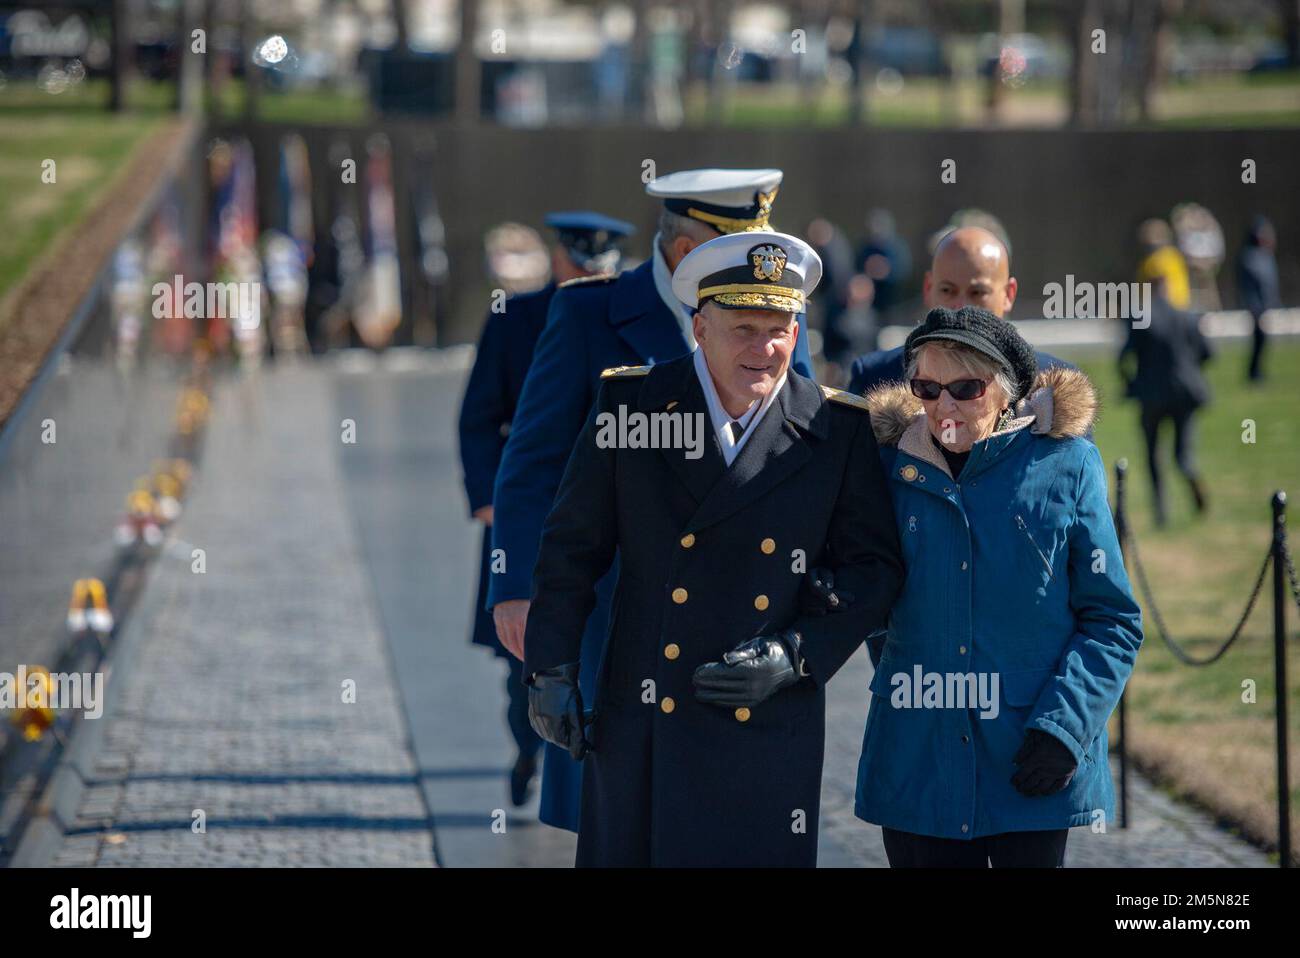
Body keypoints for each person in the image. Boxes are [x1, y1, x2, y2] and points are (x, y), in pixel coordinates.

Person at [523, 231, 904, 866]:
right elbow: (571, 547)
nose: (767, 348)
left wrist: (795, 655)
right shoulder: (633, 404)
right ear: (700, 328)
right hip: (645, 714)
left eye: (781, 327)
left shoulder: (836, 428)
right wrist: (550, 667)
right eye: (745, 329)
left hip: (767, 721)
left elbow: (873, 570)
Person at [489, 169, 815, 834]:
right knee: (620, 804)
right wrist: (518, 584)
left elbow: (806, 444)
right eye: (730, 246)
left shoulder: (773, 316)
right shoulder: (588, 313)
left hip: (737, 609)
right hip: (623, 608)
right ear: (683, 244)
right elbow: (534, 458)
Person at [857, 305, 1143, 867]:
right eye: (927, 387)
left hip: (1029, 764)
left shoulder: (1067, 464)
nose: (944, 406)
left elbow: (1112, 619)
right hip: (917, 767)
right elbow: (863, 599)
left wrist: (1065, 727)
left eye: (966, 388)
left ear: (1007, 392)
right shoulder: (884, 471)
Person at [457, 211, 634, 807]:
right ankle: (530, 745)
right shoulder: (515, 318)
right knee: (526, 655)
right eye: (580, 260)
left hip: (600, 516)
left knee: (600, 645)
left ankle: (587, 769)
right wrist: (486, 497)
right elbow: (480, 415)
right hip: (532, 508)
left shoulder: (624, 313)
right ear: (561, 260)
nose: (588, 271)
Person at [847, 225, 1074, 396]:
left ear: (1008, 294)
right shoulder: (876, 380)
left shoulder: (1053, 389)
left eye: (978, 293)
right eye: (948, 290)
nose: (961, 308)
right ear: (928, 288)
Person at [1119, 277, 1212, 526]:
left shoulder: (1141, 319)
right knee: (1183, 454)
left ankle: (1161, 510)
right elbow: (1208, 353)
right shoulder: (1188, 316)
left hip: (1151, 396)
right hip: (1185, 392)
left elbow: (1123, 358)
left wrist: (1130, 384)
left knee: (1152, 454)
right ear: (1168, 291)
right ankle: (1192, 477)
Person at [1236, 215, 1281, 383]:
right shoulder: (1249, 257)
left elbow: (1269, 284)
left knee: (1263, 340)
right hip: (1255, 306)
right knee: (1259, 338)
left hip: (1265, 305)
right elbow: (1249, 285)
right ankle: (1253, 373)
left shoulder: (1265, 256)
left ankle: (1256, 372)